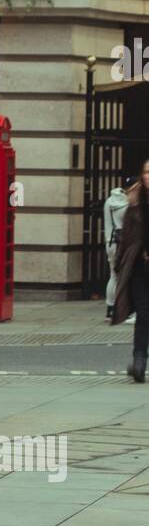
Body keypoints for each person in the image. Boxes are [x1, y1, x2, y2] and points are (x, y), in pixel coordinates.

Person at [112, 161, 149, 381]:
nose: (148, 176)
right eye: (146, 172)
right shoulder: (134, 205)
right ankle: (139, 362)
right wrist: (119, 266)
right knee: (144, 315)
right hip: (139, 268)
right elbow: (125, 239)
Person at [103, 176, 134, 319]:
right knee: (127, 276)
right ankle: (125, 307)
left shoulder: (109, 201)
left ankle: (110, 307)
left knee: (113, 276)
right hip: (125, 243)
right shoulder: (129, 204)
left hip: (111, 242)